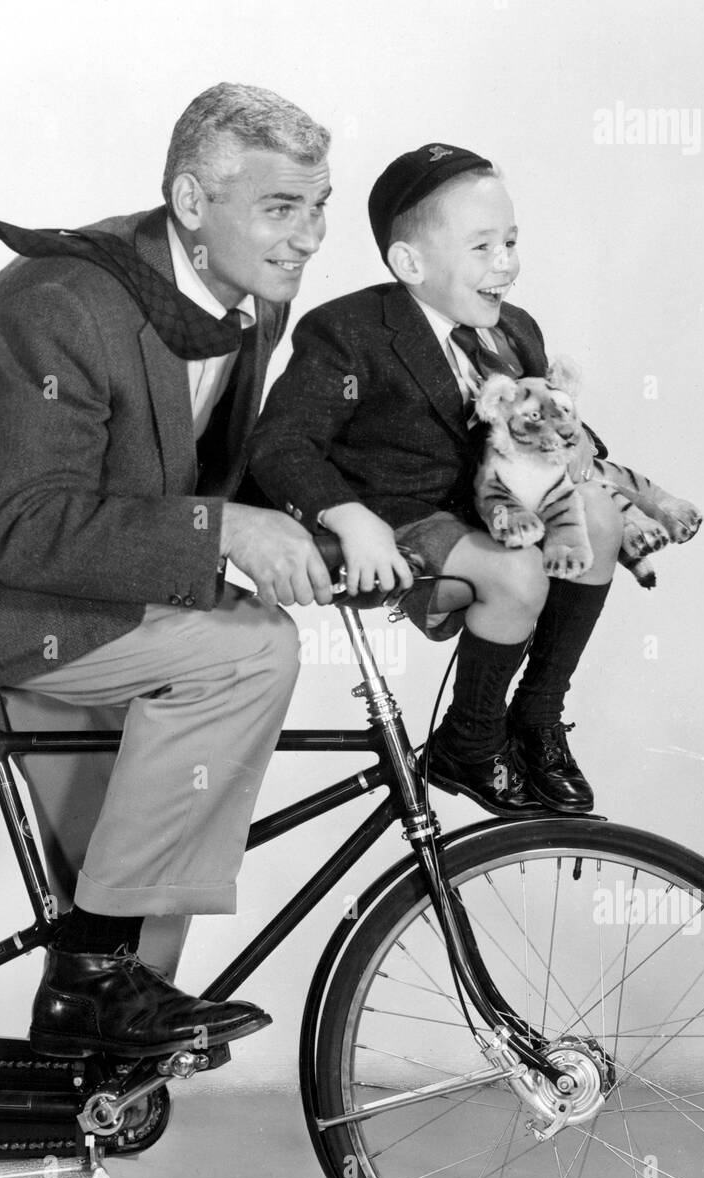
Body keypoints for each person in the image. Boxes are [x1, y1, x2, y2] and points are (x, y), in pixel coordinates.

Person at [0, 83, 335, 1058]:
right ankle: (89, 992)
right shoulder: (65, 303)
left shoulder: (250, 301)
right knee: (247, 655)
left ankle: (104, 1057)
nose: (308, 237)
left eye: (319, 206)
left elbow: (209, 470)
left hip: (83, 581)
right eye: (282, 208)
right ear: (193, 204)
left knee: (134, 873)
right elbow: (30, 526)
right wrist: (228, 536)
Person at [246, 143, 625, 818]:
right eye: (481, 248)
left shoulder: (514, 330)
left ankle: (535, 715)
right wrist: (345, 516)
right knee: (516, 575)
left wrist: (584, 457)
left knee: (598, 515)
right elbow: (280, 446)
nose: (505, 264)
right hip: (388, 521)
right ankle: (470, 742)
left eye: (510, 241)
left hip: (480, 509)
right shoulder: (348, 332)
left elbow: (540, 429)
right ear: (409, 263)